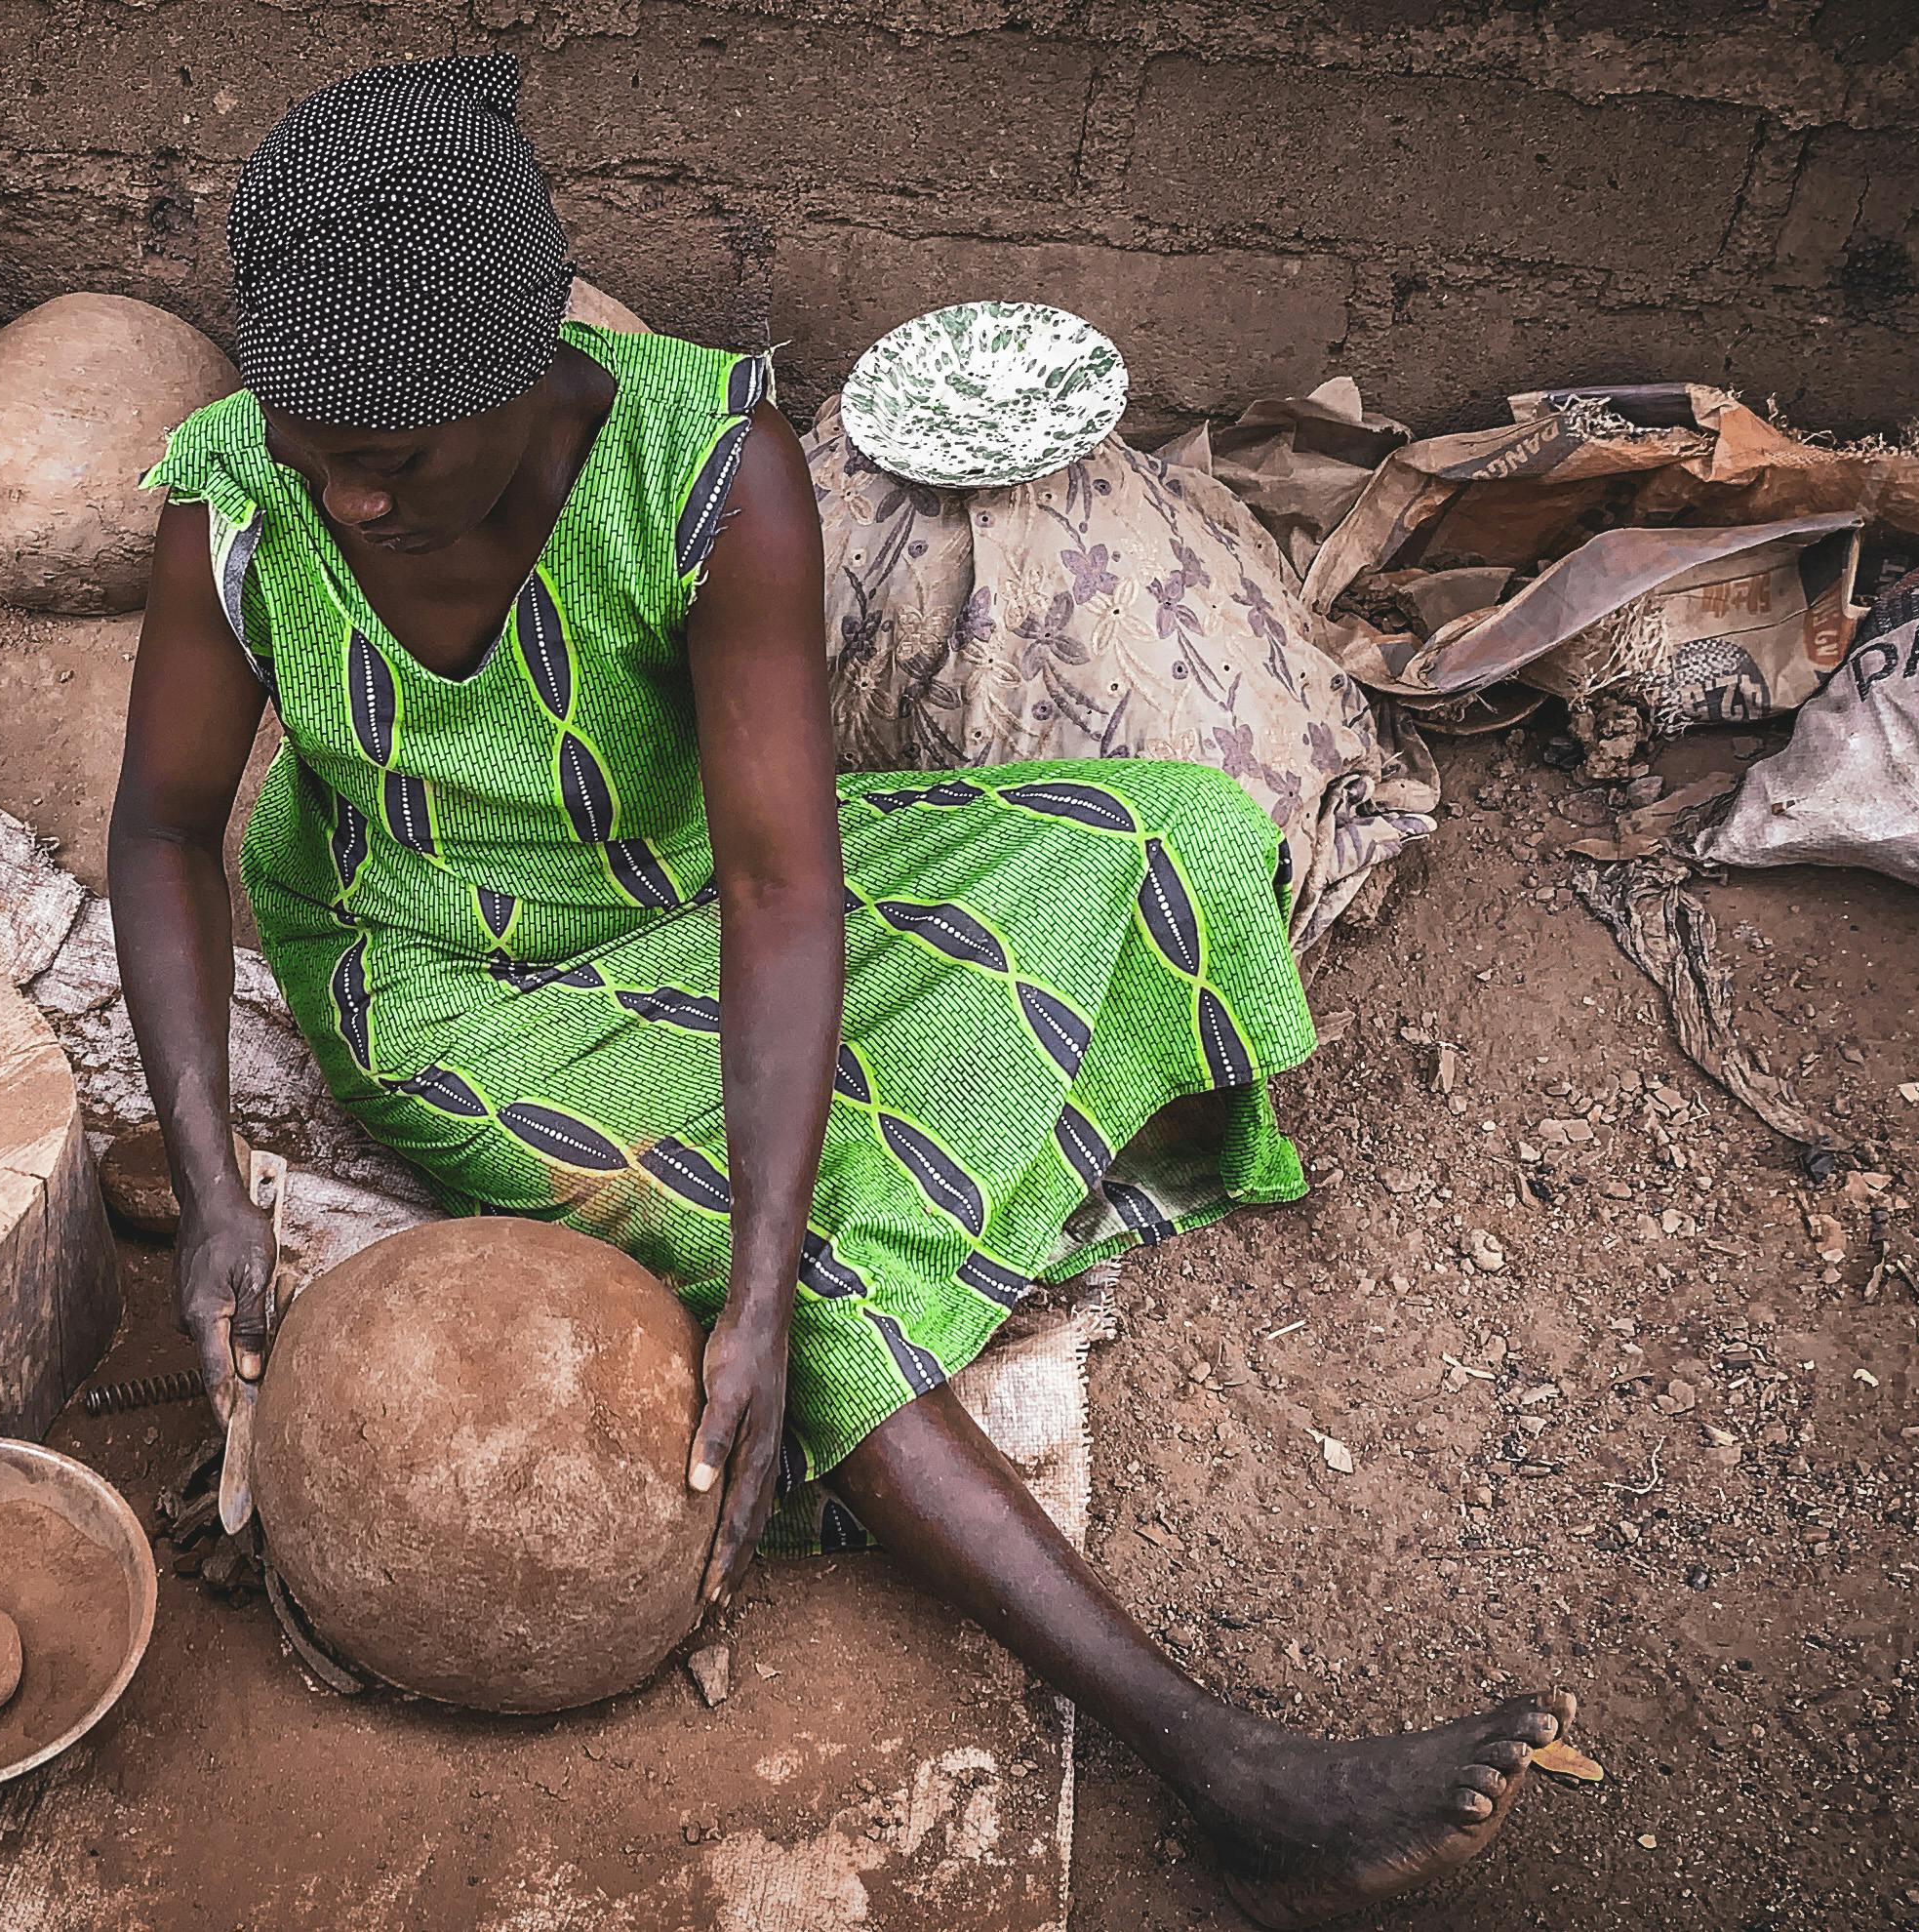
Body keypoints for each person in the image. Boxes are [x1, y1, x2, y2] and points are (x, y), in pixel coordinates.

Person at [106, 54, 1575, 1929]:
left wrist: (774, 1244)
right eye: (316, 453)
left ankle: (957, 1222)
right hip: (441, 975)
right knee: (811, 1287)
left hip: (703, 888)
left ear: (524, 372)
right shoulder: (244, 512)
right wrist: (215, 1182)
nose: (354, 497)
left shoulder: (707, 476)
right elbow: (160, 832)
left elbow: (781, 883)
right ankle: (1217, 1757)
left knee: (1174, 841)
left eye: (392, 459)